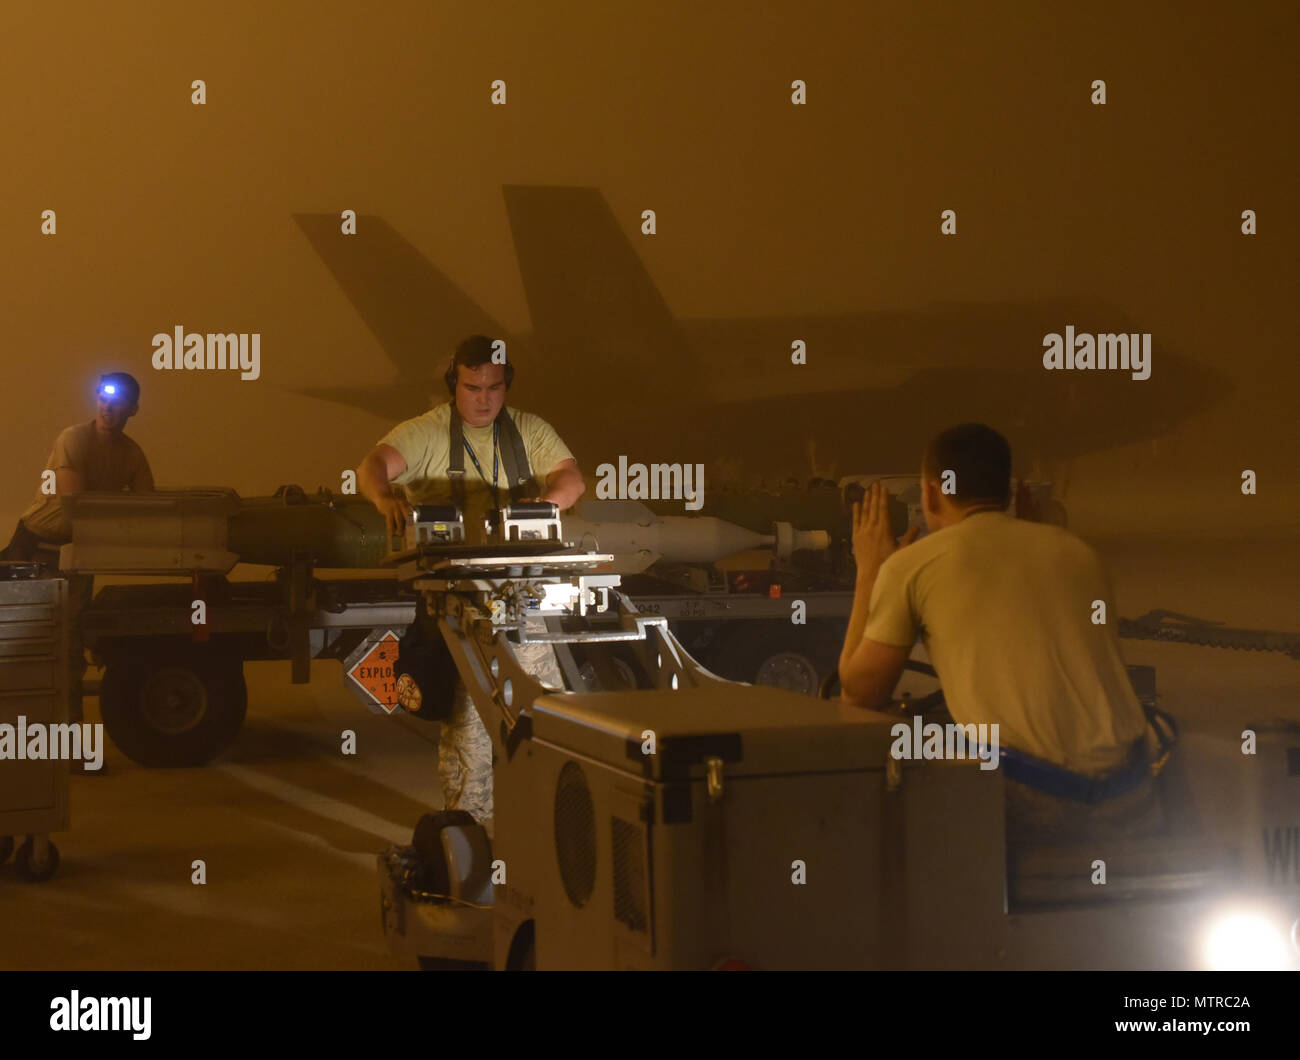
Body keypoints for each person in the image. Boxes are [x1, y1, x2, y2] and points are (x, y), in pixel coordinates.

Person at [837, 422, 1161, 843]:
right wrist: (1035, 534)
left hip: (1030, 799)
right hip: (1131, 792)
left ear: (931, 494)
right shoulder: (1078, 552)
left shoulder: (911, 566)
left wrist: (870, 572)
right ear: (1008, 494)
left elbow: (858, 695)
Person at [357, 336, 585, 833]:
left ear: (507, 387)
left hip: (521, 597)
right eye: (472, 386)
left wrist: (545, 506)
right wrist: (383, 499)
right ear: (453, 385)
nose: (483, 398)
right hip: (455, 601)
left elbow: (571, 478)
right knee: (468, 724)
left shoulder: (529, 431)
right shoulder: (428, 433)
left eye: (494, 387)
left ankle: (550, 826)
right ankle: (471, 835)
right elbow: (372, 466)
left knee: (544, 711)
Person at [1, 373, 155, 758]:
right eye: (102, 399)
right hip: (34, 551)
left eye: (118, 402)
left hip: (77, 556)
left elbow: (148, 511)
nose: (107, 407)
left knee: (69, 653)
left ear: (133, 409)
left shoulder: (132, 455)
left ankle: (69, 749)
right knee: (20, 645)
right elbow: (76, 504)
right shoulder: (74, 439)